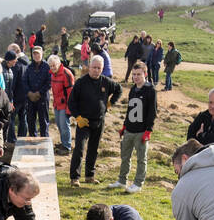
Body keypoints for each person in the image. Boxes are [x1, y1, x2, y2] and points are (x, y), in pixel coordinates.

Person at [67, 56, 122, 186]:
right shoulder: (81, 83)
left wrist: (110, 103)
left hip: (99, 121)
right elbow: (71, 102)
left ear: (102, 69)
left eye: (99, 68)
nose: (96, 70)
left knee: (94, 148)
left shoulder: (106, 82)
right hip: (84, 122)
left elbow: (119, 89)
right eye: (94, 67)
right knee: (79, 148)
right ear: (89, 67)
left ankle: (89, 175)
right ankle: (75, 177)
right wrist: (77, 117)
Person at [115, 61, 155, 192]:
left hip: (141, 131)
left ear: (145, 74)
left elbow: (152, 112)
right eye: (134, 74)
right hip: (129, 129)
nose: (136, 77)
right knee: (125, 156)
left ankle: (138, 183)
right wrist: (124, 126)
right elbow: (129, 109)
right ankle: (122, 180)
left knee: (141, 158)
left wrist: (149, 130)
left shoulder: (150, 90)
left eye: (138, 74)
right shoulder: (132, 89)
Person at [48, 55, 75, 156]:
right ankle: (63, 143)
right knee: (59, 125)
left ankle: (67, 147)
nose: (52, 68)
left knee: (64, 126)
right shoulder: (52, 74)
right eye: (50, 66)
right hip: (57, 104)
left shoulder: (66, 74)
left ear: (59, 64)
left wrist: (69, 108)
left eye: (54, 65)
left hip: (65, 104)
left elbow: (71, 92)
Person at [23, 45, 52, 138]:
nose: (36, 56)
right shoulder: (29, 67)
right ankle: (32, 138)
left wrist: (39, 93)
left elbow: (49, 82)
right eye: (34, 54)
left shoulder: (47, 67)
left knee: (43, 120)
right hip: (30, 98)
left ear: (42, 54)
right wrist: (29, 93)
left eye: (38, 54)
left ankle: (44, 139)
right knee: (31, 120)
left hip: (42, 98)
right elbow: (24, 81)